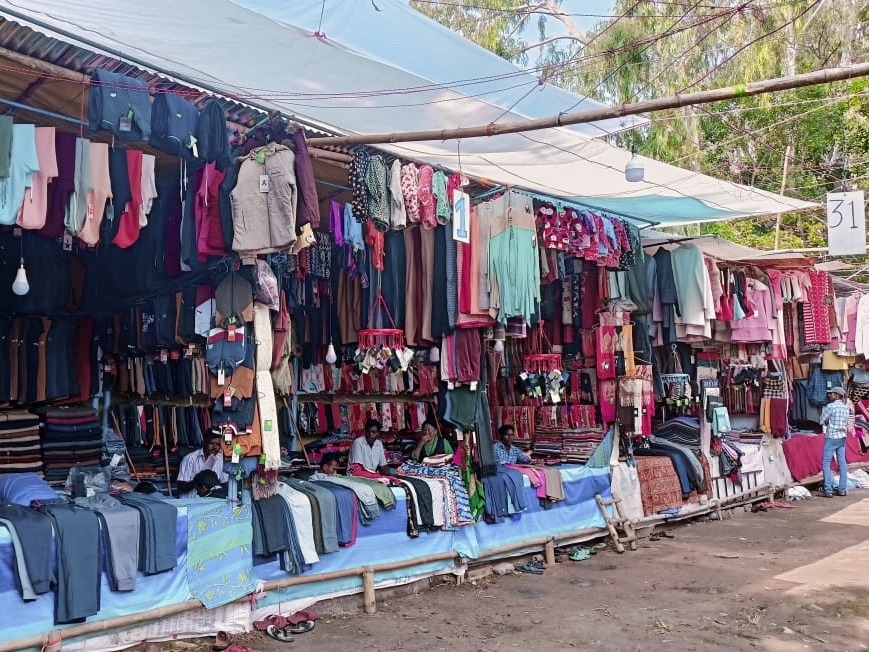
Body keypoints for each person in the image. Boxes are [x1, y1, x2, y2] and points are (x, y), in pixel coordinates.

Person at [177, 433, 229, 498]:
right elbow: (180, 486)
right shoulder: (190, 459)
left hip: (211, 500)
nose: (214, 447)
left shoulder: (219, 458)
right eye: (211, 443)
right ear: (204, 442)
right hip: (190, 501)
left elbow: (224, 481)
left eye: (218, 444)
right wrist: (197, 481)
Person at [820, 386, 850, 497]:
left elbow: (821, 420)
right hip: (842, 437)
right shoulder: (845, 408)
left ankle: (828, 490)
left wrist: (827, 422)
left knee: (826, 462)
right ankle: (842, 489)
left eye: (831, 393)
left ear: (837, 395)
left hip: (832, 436)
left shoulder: (830, 406)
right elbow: (846, 423)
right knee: (842, 463)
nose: (829, 395)